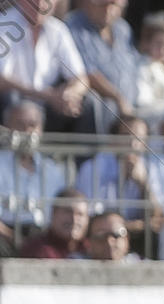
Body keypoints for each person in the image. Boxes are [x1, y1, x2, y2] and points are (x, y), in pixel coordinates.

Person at [0, 0, 90, 134]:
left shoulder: (58, 30)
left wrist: (68, 94)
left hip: (48, 103)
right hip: (13, 100)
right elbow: (2, 82)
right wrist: (47, 96)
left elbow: (81, 79)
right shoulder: (4, 24)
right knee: (12, 98)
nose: (40, 4)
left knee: (88, 104)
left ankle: (87, 155)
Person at [76, 115, 162, 244]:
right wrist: (134, 226)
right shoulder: (92, 167)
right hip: (103, 238)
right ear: (113, 140)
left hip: (138, 238)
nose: (133, 144)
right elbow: (93, 220)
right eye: (126, 136)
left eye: (139, 138)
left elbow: (158, 218)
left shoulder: (151, 167)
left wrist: (143, 184)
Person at [0, 100, 67, 249]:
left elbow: (57, 216)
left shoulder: (53, 171)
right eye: (20, 125)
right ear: (8, 128)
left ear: (41, 130)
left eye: (33, 125)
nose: (27, 131)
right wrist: (13, 238)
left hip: (43, 237)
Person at [66, 0, 140, 135]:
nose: (108, 9)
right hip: (98, 107)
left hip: (128, 107)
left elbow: (133, 65)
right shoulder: (73, 25)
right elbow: (86, 73)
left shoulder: (123, 28)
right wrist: (119, 99)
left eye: (113, 4)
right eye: (102, 4)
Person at [133, 14, 164, 131]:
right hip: (142, 119)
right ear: (146, 43)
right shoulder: (139, 67)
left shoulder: (163, 72)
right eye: (158, 43)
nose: (162, 49)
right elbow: (142, 103)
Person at [20, 189, 89, 258]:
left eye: (80, 214)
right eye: (68, 212)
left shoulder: (91, 249)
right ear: (53, 214)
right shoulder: (36, 249)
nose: (74, 219)